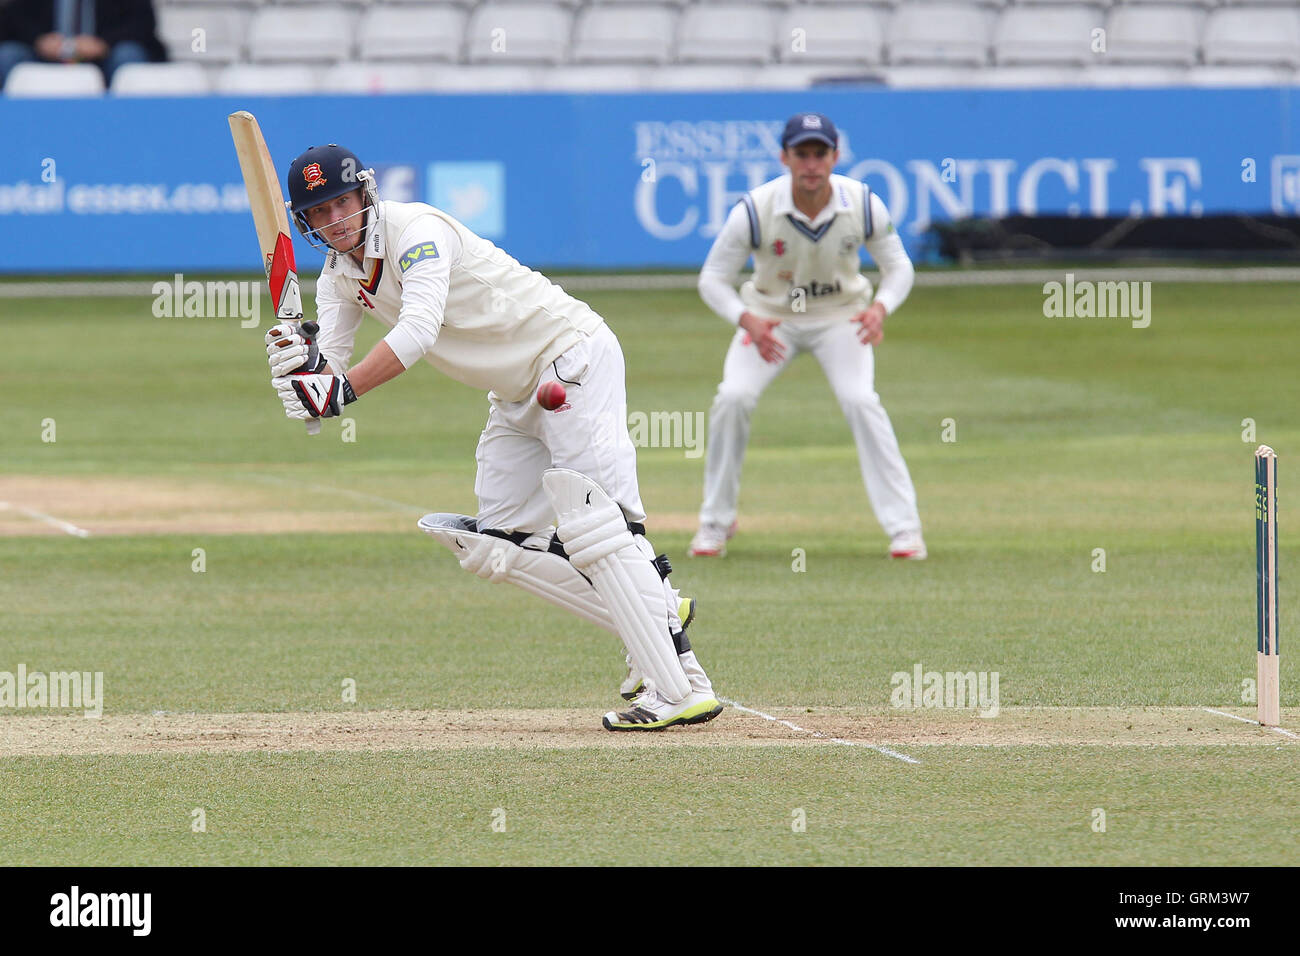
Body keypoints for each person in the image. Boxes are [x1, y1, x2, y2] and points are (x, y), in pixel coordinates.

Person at [265, 144, 722, 731]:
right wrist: (299, 368)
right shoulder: (336, 277)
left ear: (365, 195)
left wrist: (341, 391)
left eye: (341, 203)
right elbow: (326, 381)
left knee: (596, 527)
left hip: (567, 357)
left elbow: (419, 330)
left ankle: (680, 690)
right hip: (512, 392)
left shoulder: (417, 232)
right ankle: (654, 606)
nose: (334, 221)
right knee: (495, 543)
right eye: (319, 213)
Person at [690, 112, 926, 560]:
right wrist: (747, 320)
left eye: (821, 154)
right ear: (785, 157)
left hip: (841, 316)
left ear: (836, 156)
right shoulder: (755, 210)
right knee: (733, 398)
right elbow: (712, 279)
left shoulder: (863, 203)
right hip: (770, 321)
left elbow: (899, 269)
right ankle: (715, 523)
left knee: (861, 401)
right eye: (802, 154)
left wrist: (880, 308)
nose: (812, 164)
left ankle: (905, 529)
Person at [0, 0, 164, 89]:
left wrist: (104, 43)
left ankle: (125, 123)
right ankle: (13, 125)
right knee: (8, 55)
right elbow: (11, 19)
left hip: (104, 57)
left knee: (128, 55)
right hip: (44, 56)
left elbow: (142, 22)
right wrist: (38, 40)